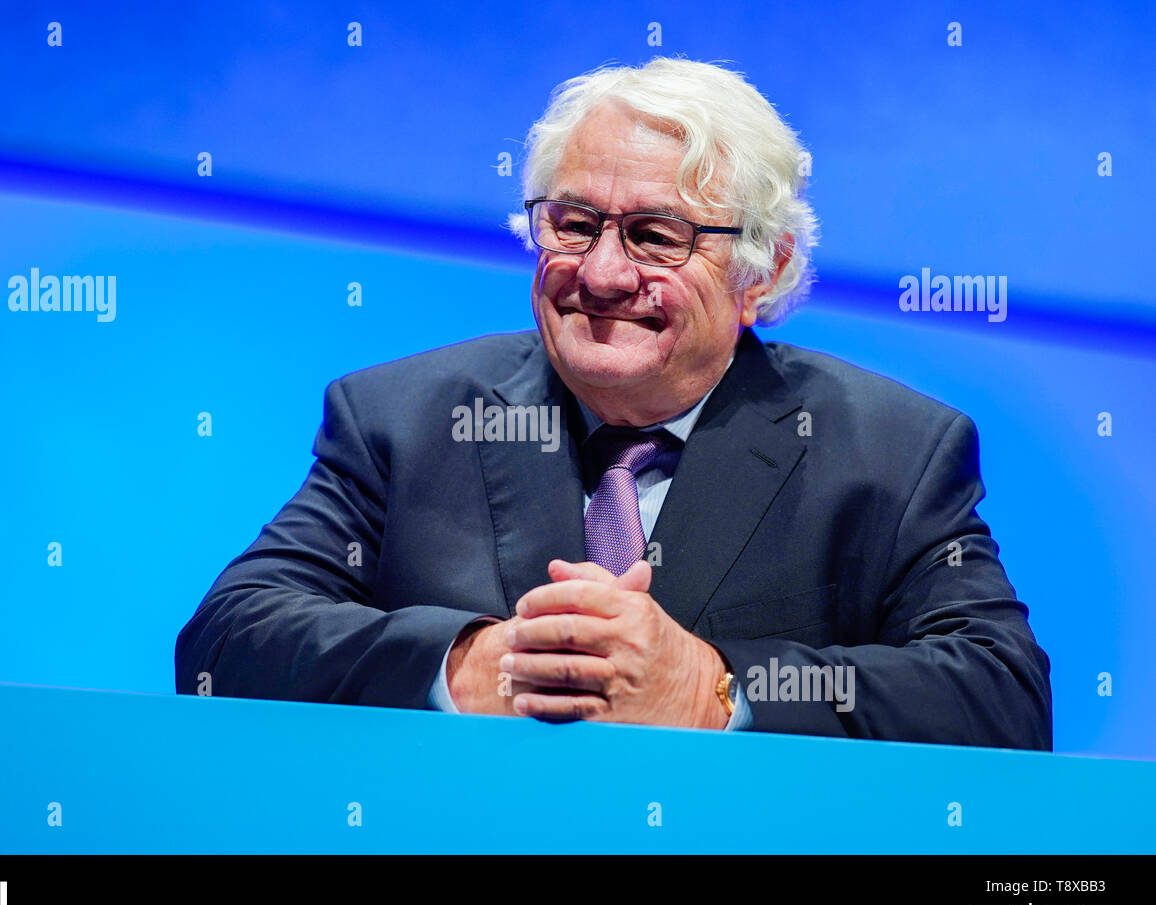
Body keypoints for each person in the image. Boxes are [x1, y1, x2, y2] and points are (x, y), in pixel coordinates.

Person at [175, 57, 1052, 749]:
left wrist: (712, 688)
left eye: (655, 236)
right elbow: (225, 641)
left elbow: (999, 695)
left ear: (765, 269)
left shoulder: (891, 452)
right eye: (574, 223)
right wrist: (468, 664)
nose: (600, 274)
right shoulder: (399, 418)